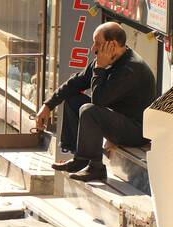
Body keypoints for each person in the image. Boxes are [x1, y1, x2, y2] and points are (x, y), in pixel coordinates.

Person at [34, 22, 157, 183]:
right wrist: (48, 105)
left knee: (89, 110)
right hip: (118, 118)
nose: (93, 49)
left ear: (112, 44)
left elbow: (99, 101)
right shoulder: (107, 59)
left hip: (136, 131)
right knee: (72, 99)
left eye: (97, 43)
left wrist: (100, 69)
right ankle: (79, 158)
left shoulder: (130, 68)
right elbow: (75, 82)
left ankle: (96, 168)